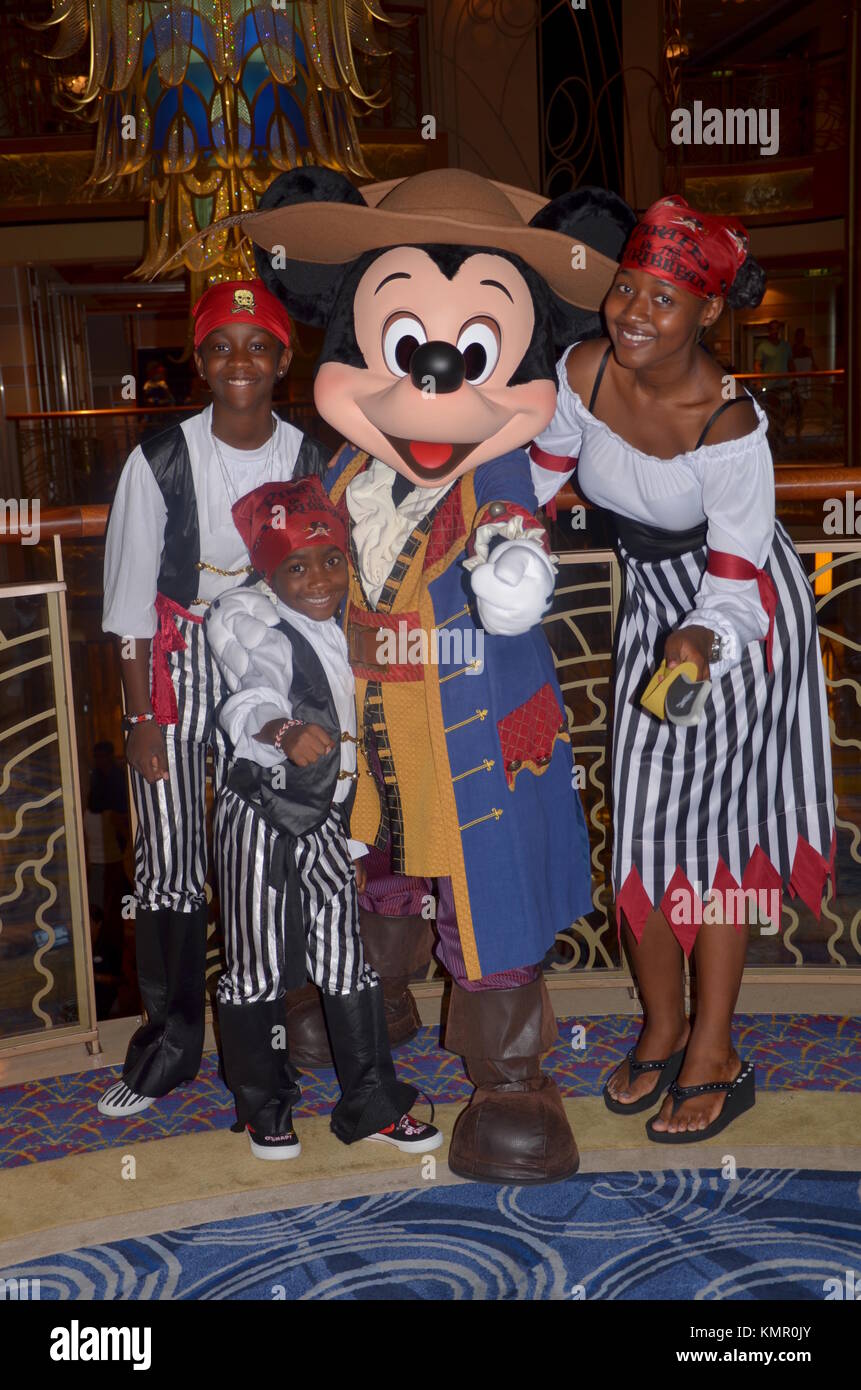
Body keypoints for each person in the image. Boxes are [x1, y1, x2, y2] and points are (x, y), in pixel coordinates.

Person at [530, 195, 835, 1144]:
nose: (632, 312)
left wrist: (699, 641)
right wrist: (493, 537)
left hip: (733, 627)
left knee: (713, 837)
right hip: (651, 611)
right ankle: (661, 1030)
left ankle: (715, 1051)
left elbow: (738, 581)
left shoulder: (727, 425)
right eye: (626, 289)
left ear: (706, 313)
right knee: (642, 828)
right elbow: (540, 473)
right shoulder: (582, 367)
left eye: (661, 300)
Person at [98, 279, 330, 1118]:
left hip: (267, 651)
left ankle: (272, 1044)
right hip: (170, 657)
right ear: (198, 360)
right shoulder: (158, 459)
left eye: (258, 344)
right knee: (167, 857)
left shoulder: (305, 454)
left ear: (282, 358)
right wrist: (141, 717)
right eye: (222, 346)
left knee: (269, 853)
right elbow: (127, 600)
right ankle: (166, 1050)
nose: (241, 361)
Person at [204, 478, 442, 1159]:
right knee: (253, 964)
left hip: (331, 815)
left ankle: (372, 1099)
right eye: (297, 568)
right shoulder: (245, 616)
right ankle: (263, 1105)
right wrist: (277, 728)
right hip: (263, 809)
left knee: (347, 958)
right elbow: (250, 685)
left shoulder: (354, 613)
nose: (318, 578)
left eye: (330, 560)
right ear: (266, 570)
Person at [791, 328, 817, 444]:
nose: (801, 337)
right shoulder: (792, 350)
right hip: (796, 383)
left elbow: (815, 366)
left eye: (802, 335)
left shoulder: (808, 350)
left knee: (801, 410)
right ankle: (797, 432)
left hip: (806, 383)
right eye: (799, 335)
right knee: (798, 408)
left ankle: (798, 431)